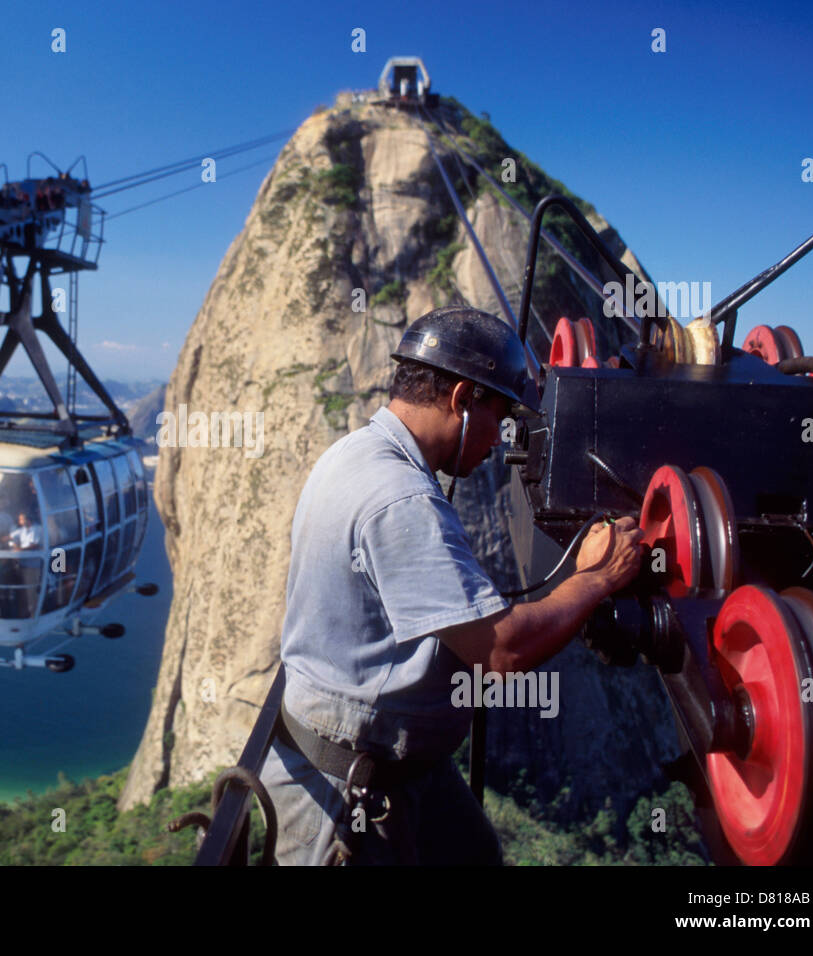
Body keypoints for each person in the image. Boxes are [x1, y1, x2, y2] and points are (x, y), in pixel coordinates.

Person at [259, 307, 645, 866]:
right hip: (353, 788)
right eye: (501, 416)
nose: (499, 440)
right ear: (462, 399)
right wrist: (597, 578)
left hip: (395, 762)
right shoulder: (400, 498)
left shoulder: (354, 452)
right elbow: (502, 650)